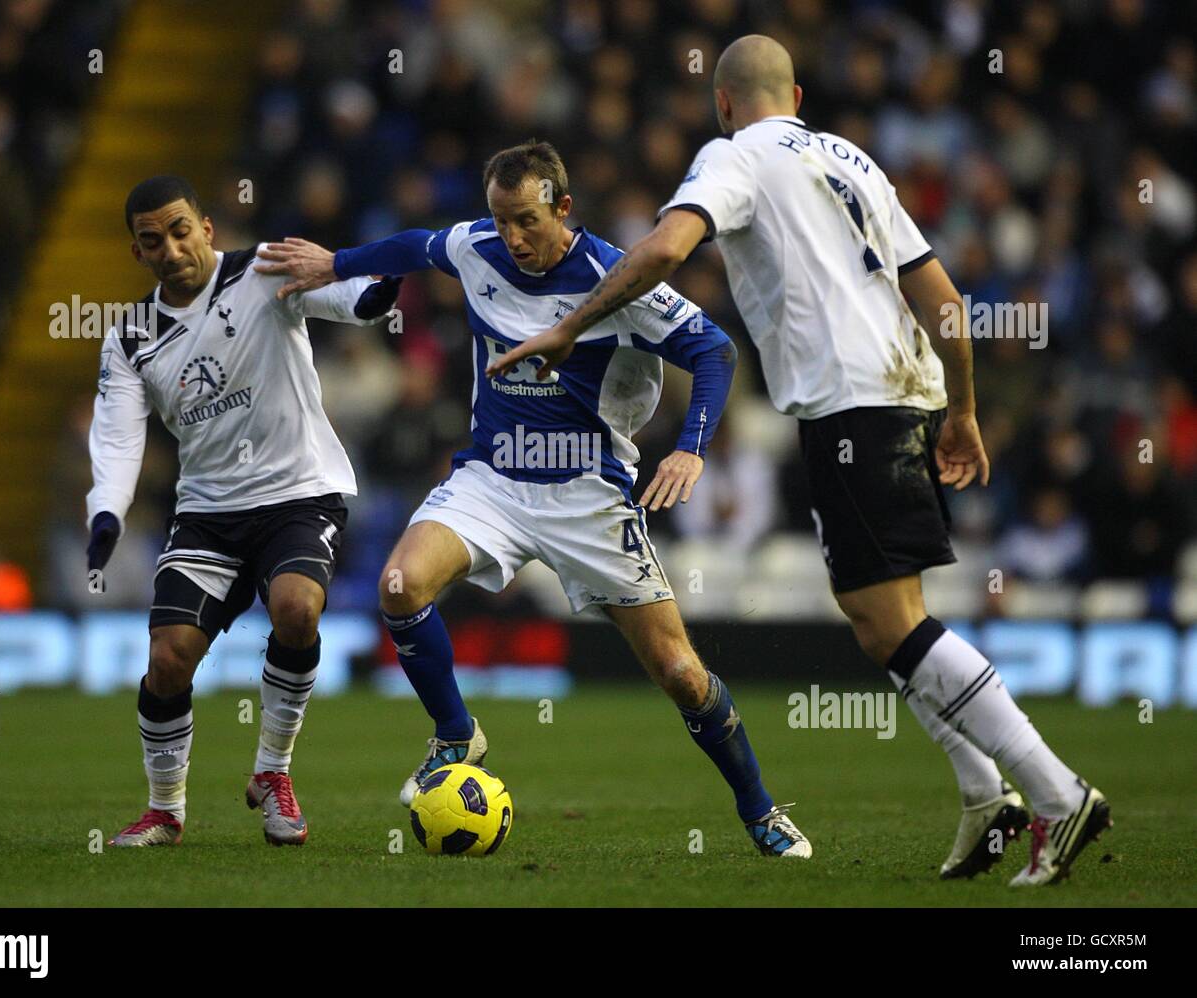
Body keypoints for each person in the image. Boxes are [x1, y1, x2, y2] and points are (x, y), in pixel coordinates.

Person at [487, 39, 1110, 886]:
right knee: (878, 616)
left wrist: (566, 326)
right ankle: (983, 794)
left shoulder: (733, 156)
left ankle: (1056, 793)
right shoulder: (854, 160)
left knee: (887, 621)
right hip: (904, 394)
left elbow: (668, 249)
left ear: (723, 103)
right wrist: (961, 410)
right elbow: (947, 304)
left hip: (851, 404)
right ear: (798, 93)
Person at [256, 140, 811, 857]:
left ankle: (760, 809)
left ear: (563, 207)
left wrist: (689, 447)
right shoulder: (478, 247)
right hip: (493, 477)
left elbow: (715, 350)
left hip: (589, 494)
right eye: (500, 219)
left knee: (679, 672)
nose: (512, 238)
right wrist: (335, 263)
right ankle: (457, 734)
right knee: (400, 584)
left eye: (526, 220)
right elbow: (413, 247)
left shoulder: (618, 276)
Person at [86, 175, 400, 846]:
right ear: (137, 254)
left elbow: (349, 297)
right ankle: (165, 812)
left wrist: (376, 287)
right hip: (208, 513)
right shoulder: (131, 337)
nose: (170, 249)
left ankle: (273, 774)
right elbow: (117, 435)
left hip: (297, 492)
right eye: (151, 241)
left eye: (179, 230)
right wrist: (106, 512)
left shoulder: (264, 270)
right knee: (169, 661)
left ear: (206, 228)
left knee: (297, 608)